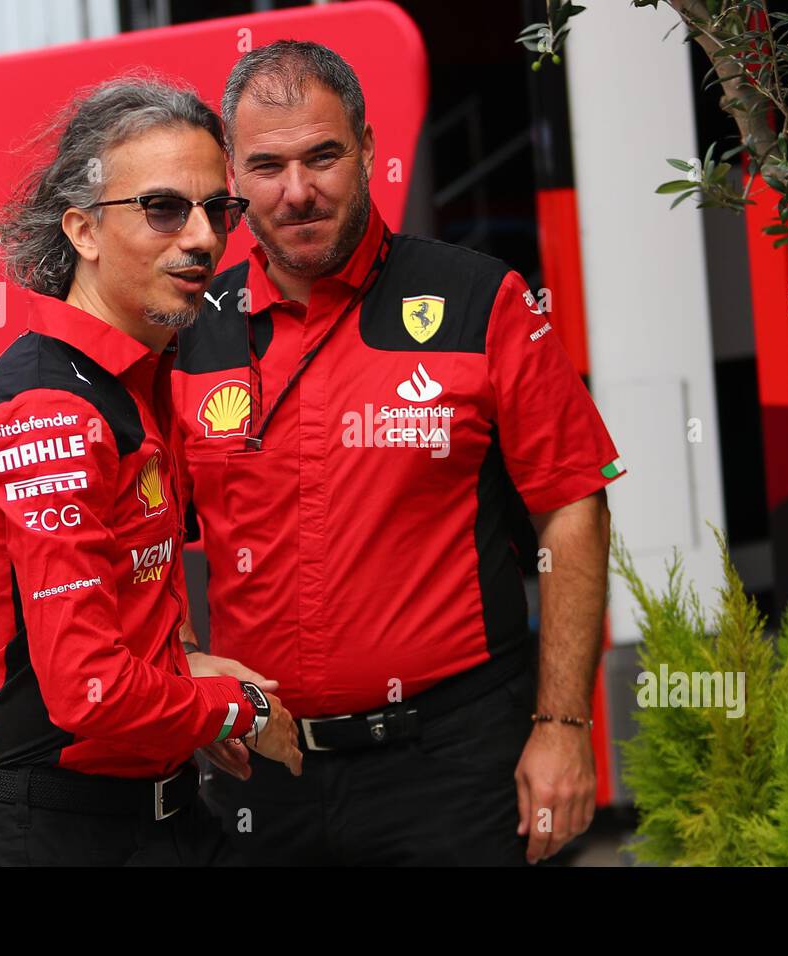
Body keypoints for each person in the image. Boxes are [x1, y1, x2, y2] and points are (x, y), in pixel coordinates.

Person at [173, 41, 626, 865]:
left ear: (370, 154)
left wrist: (562, 726)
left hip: (450, 767)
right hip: (262, 775)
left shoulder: (478, 299)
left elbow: (572, 505)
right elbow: (142, 532)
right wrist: (182, 673)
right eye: (267, 166)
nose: (298, 191)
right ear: (233, 175)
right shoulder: (192, 330)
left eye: (323, 156)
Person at [0, 78, 301, 868]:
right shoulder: (55, 405)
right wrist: (238, 706)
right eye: (163, 209)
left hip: (151, 814)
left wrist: (176, 673)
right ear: (83, 231)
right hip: (60, 831)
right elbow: (87, 687)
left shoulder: (136, 375)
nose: (200, 238)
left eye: (216, 210)